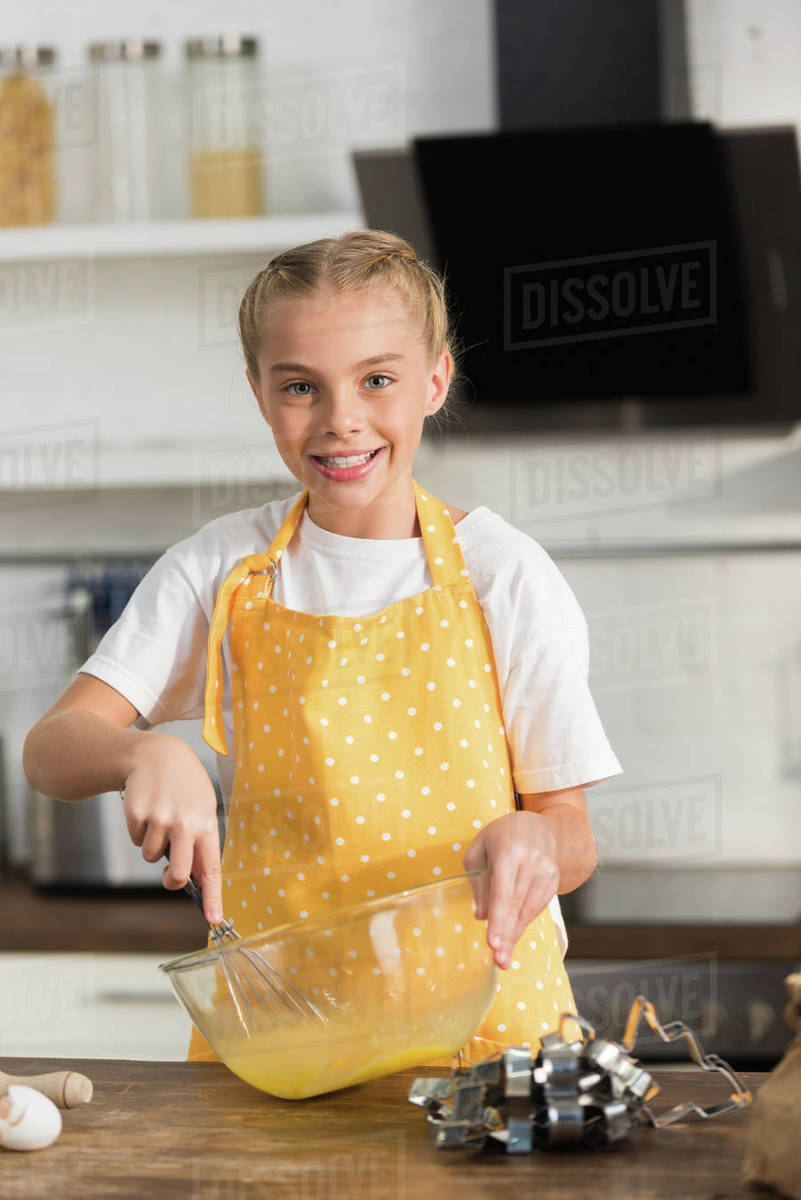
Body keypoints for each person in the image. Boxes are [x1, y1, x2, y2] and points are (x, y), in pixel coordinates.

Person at [23, 229, 622, 1064]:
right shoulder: (220, 568)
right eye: (301, 386)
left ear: (435, 380)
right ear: (260, 395)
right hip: (283, 1039)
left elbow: (573, 835)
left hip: (485, 1041)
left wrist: (534, 841)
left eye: (377, 379)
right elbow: (51, 750)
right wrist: (141, 752)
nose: (342, 421)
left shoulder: (503, 574)